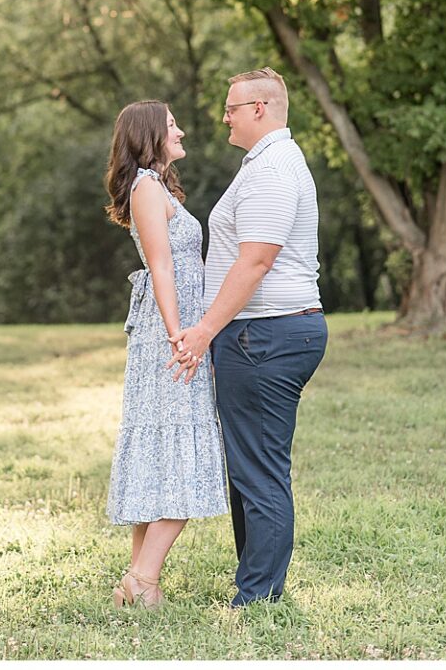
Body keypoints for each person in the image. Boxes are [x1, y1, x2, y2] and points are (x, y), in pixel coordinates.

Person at [170, 68, 326, 607]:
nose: (224, 118)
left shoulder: (274, 168)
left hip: (266, 334)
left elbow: (256, 261)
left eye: (231, 108)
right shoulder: (264, 163)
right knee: (250, 467)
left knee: (258, 470)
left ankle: (258, 597)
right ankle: (258, 585)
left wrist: (205, 330)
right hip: (259, 334)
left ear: (259, 109)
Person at [103, 101, 229, 608]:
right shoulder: (147, 189)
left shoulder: (156, 187)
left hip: (175, 332)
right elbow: (162, 267)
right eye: (172, 125)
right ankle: (142, 580)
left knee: (164, 458)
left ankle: (137, 586)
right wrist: (182, 337)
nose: (181, 132)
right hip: (170, 337)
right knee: (182, 463)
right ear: (150, 134)